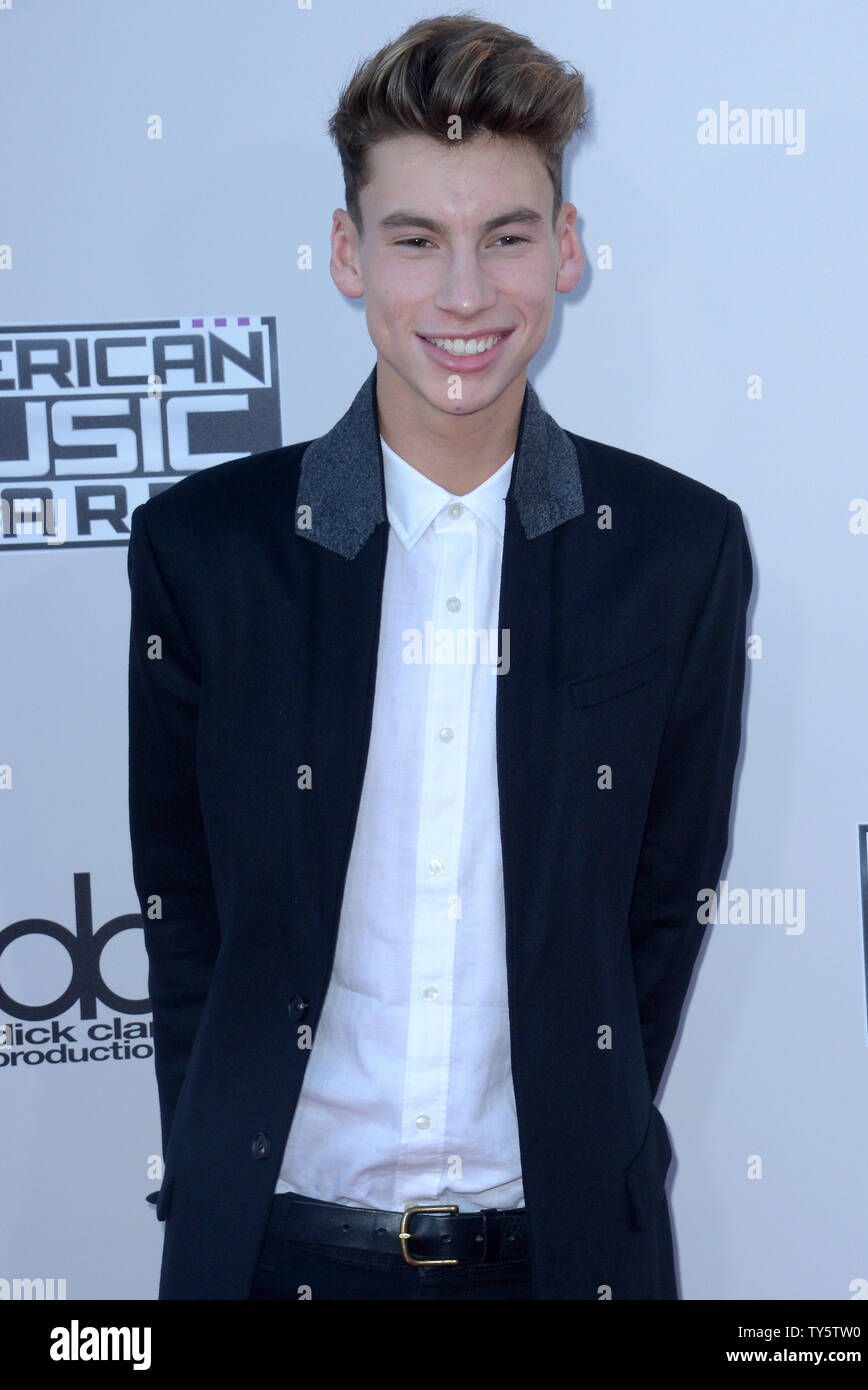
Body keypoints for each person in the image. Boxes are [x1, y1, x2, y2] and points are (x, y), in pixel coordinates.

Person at [127, 13, 752, 1301]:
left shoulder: (676, 554)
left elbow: (660, 910)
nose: (465, 296)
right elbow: (185, 914)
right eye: (417, 240)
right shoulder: (209, 551)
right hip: (270, 1254)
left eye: (507, 237)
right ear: (350, 255)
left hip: (565, 1259)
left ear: (566, 251)